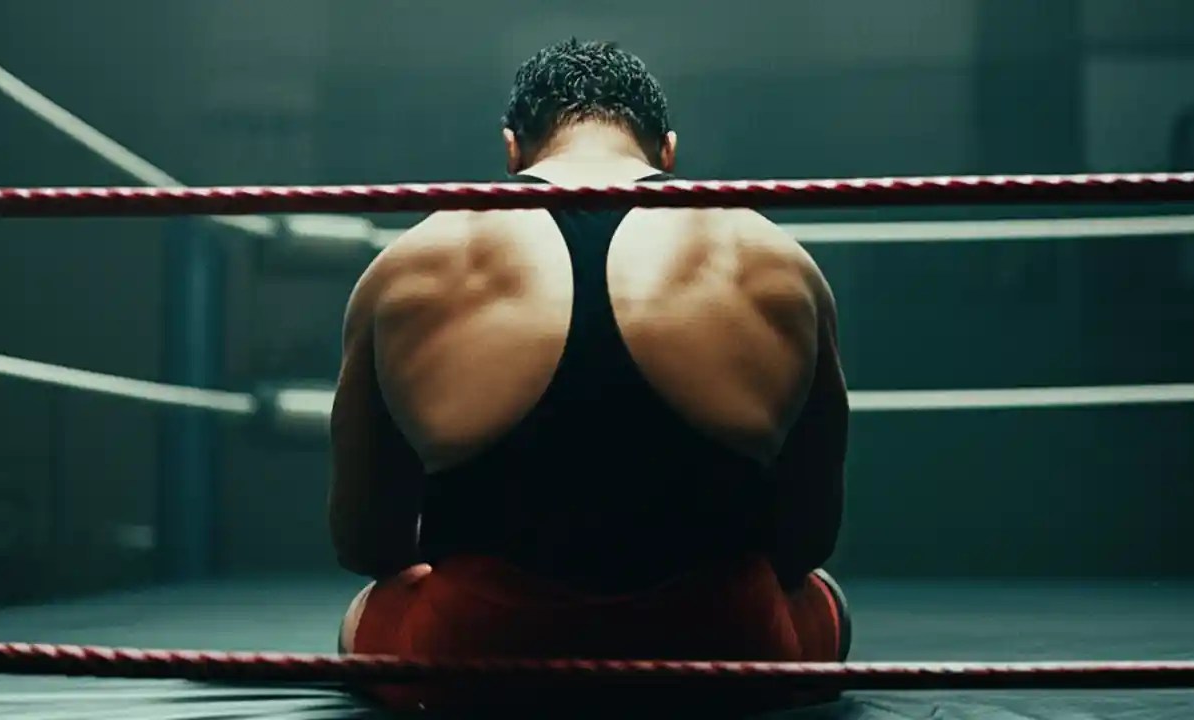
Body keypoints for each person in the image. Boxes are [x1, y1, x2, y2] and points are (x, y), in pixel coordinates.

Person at [329, 38, 849, 711]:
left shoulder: (410, 263)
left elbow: (366, 542)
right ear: (667, 151)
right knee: (823, 600)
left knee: (369, 610)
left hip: (485, 650)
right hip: (722, 646)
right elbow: (809, 539)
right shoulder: (780, 261)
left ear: (512, 149)